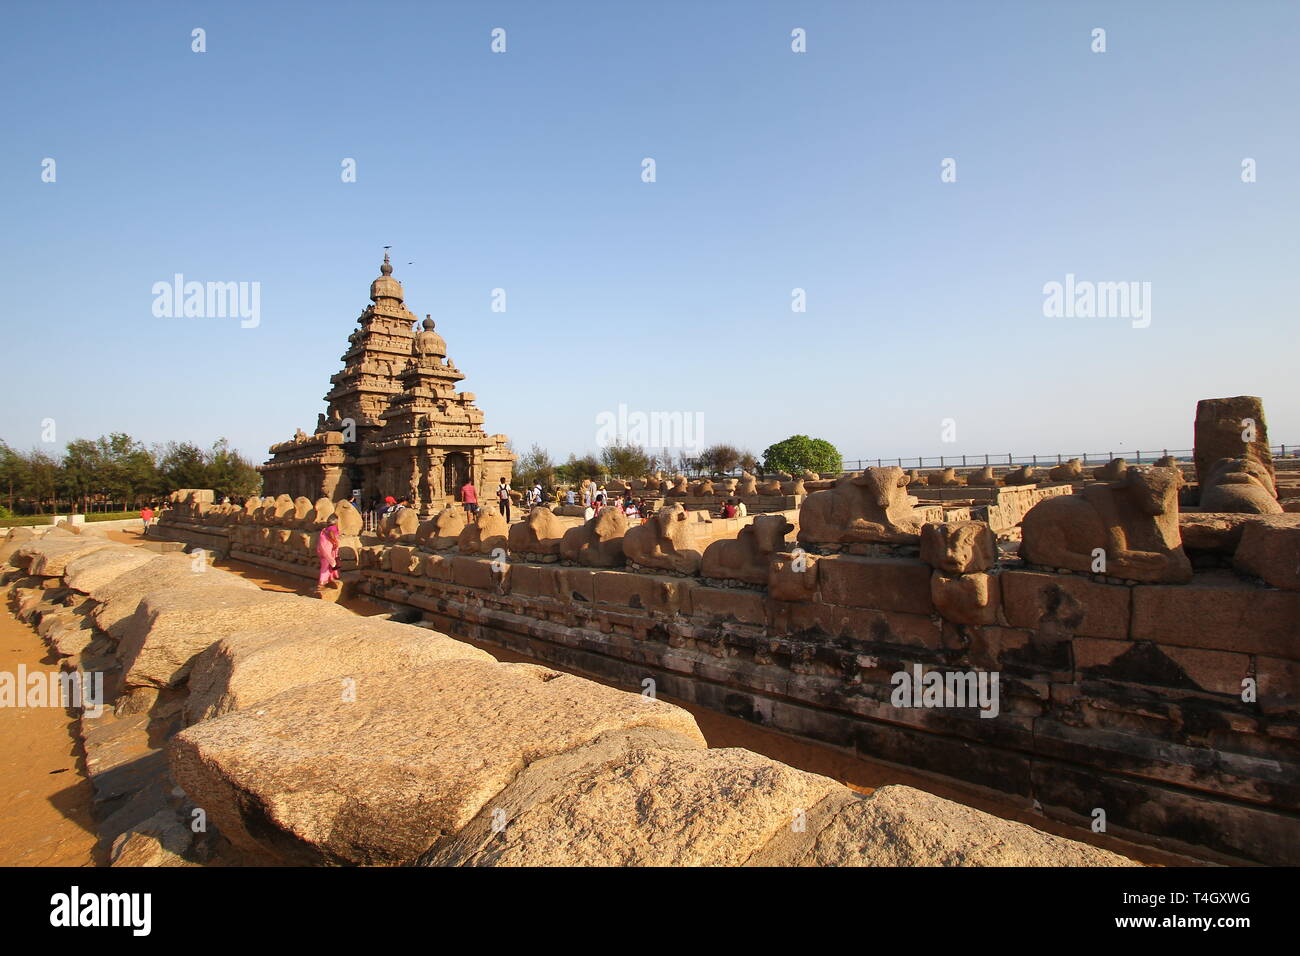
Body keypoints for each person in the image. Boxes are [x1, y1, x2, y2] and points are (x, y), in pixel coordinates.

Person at [316, 514, 341, 592]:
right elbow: (331, 534)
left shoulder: (325, 529)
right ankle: (321, 583)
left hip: (324, 548)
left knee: (328, 563)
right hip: (326, 550)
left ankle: (330, 578)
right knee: (327, 564)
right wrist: (335, 542)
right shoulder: (332, 528)